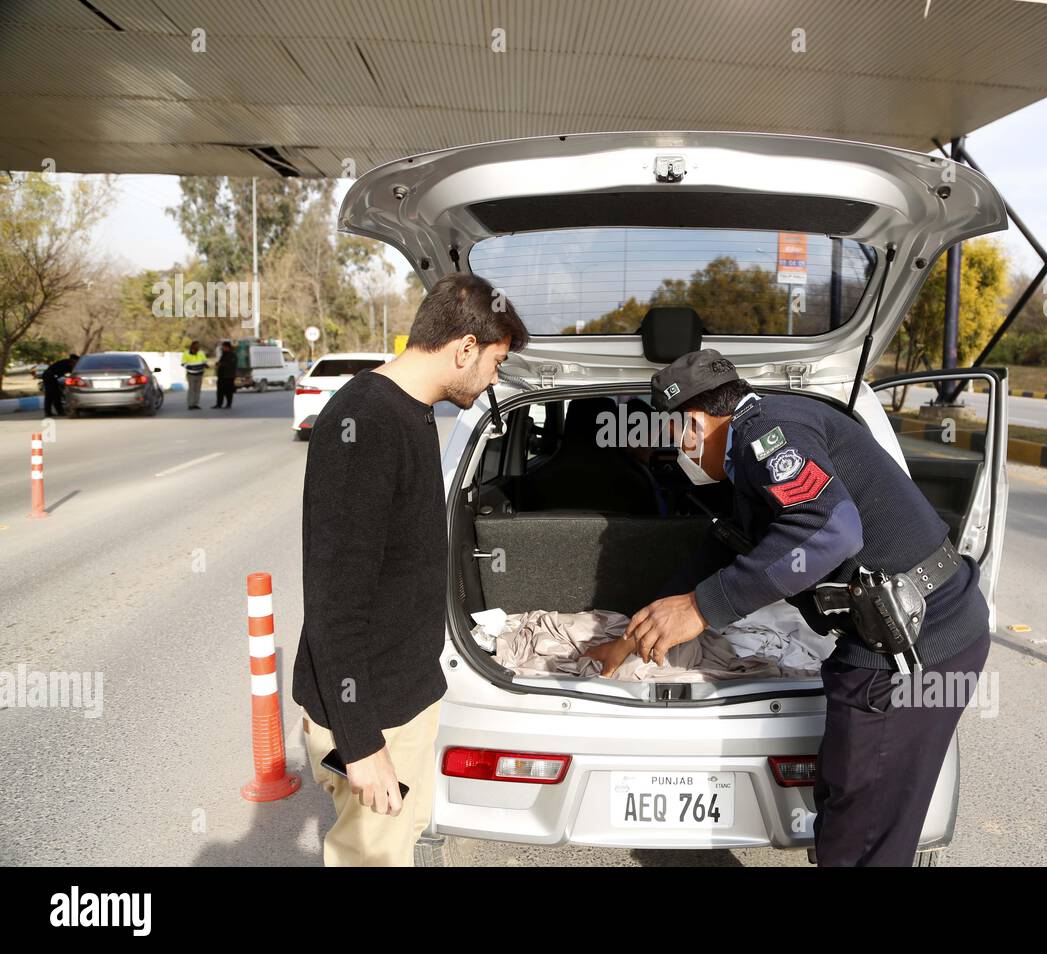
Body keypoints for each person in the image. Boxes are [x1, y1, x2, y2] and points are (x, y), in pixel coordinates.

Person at [584, 349, 992, 866]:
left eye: (675, 439)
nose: (677, 454)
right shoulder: (762, 439)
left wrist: (704, 610)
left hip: (914, 647)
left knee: (861, 840)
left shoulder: (767, 434)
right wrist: (627, 640)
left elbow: (832, 530)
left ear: (692, 421)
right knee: (846, 804)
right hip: (899, 634)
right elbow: (726, 550)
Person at [292, 273, 527, 866]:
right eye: (496, 362)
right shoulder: (365, 425)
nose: (496, 378)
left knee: (399, 844)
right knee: (371, 857)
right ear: (464, 348)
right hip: (372, 710)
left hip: (402, 695)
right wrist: (362, 742)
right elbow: (334, 597)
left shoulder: (412, 410)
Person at [181, 340, 208, 409]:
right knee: (191, 389)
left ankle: (196, 403)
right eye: (196, 345)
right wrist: (190, 367)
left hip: (199, 374)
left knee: (197, 390)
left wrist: (205, 365)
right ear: (192, 346)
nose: (198, 347)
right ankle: (190, 404)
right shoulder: (186, 353)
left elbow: (204, 361)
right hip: (191, 374)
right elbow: (183, 363)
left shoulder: (201, 353)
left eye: (198, 345)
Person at [212, 341, 236, 409]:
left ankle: (228, 404)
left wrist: (221, 364)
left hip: (228, 376)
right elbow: (221, 362)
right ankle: (219, 404)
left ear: (227, 347)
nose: (223, 348)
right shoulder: (223, 354)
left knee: (228, 391)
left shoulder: (232, 355)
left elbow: (231, 365)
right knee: (220, 391)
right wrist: (218, 364)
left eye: (224, 347)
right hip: (221, 376)